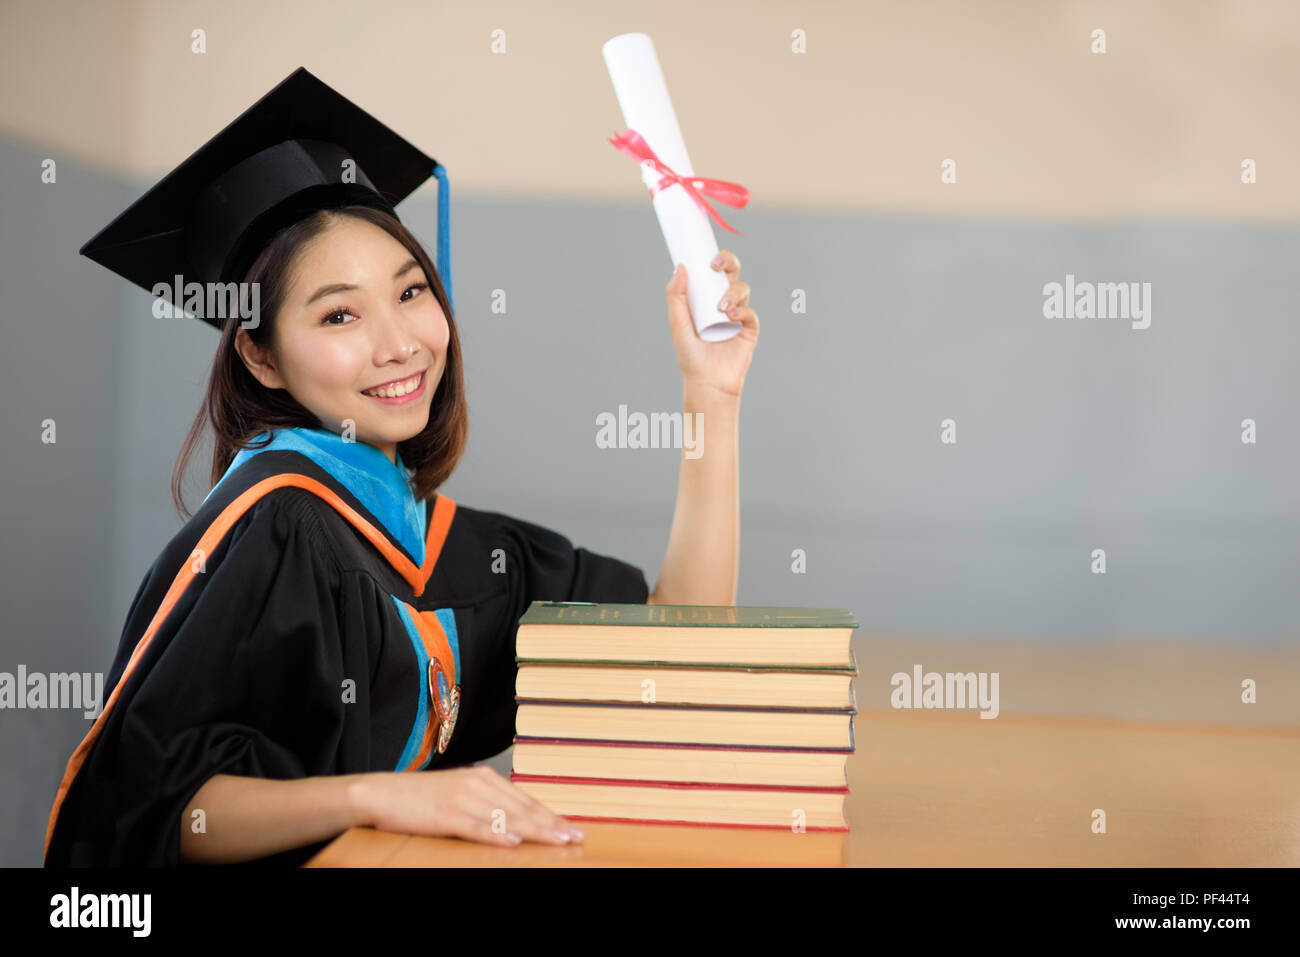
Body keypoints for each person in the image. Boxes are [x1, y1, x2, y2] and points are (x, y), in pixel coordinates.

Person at [43, 67, 759, 867]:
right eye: (340, 313)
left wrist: (710, 393)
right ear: (260, 355)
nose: (399, 343)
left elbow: (675, 649)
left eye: (411, 291)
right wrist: (381, 794)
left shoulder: (443, 545)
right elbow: (165, 809)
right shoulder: (274, 526)